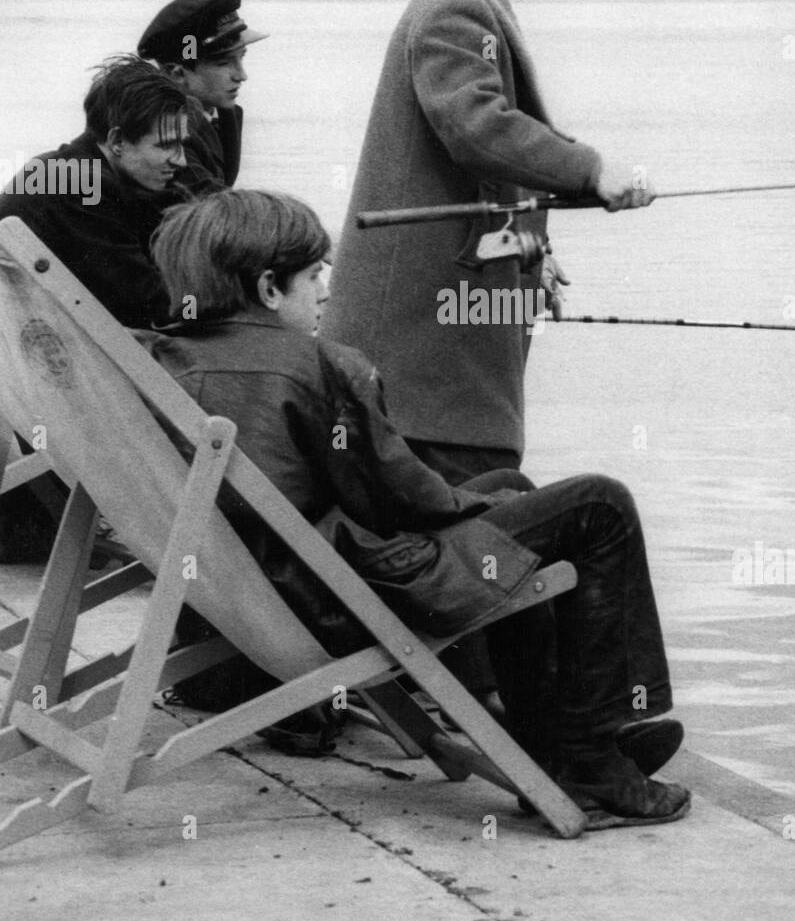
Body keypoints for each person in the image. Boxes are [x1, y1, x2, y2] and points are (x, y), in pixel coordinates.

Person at [146, 189, 690, 827]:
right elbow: (402, 500)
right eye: (314, 275)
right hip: (342, 595)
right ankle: (589, 755)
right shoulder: (318, 366)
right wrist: (476, 503)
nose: (326, 291)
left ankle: (556, 740)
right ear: (269, 287)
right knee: (599, 505)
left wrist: (494, 500)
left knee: (514, 488)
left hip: (255, 587)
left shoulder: (163, 359)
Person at [321, 0, 655, 700]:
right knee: (478, 528)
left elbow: (473, 165)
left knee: (478, 527)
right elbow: (476, 127)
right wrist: (589, 169)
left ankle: (538, 713)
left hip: (444, 336)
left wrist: (539, 239)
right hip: (426, 355)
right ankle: (547, 725)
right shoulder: (450, 10)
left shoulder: (462, 4)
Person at [0, 54, 192, 329]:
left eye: (182, 145)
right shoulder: (81, 187)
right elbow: (153, 303)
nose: (181, 160)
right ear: (116, 141)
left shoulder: (62, 166)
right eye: (166, 146)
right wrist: (209, 304)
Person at [137, 0, 267, 192]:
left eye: (241, 57)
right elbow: (209, 201)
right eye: (224, 63)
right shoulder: (166, 132)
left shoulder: (221, 114)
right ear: (177, 73)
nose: (241, 75)